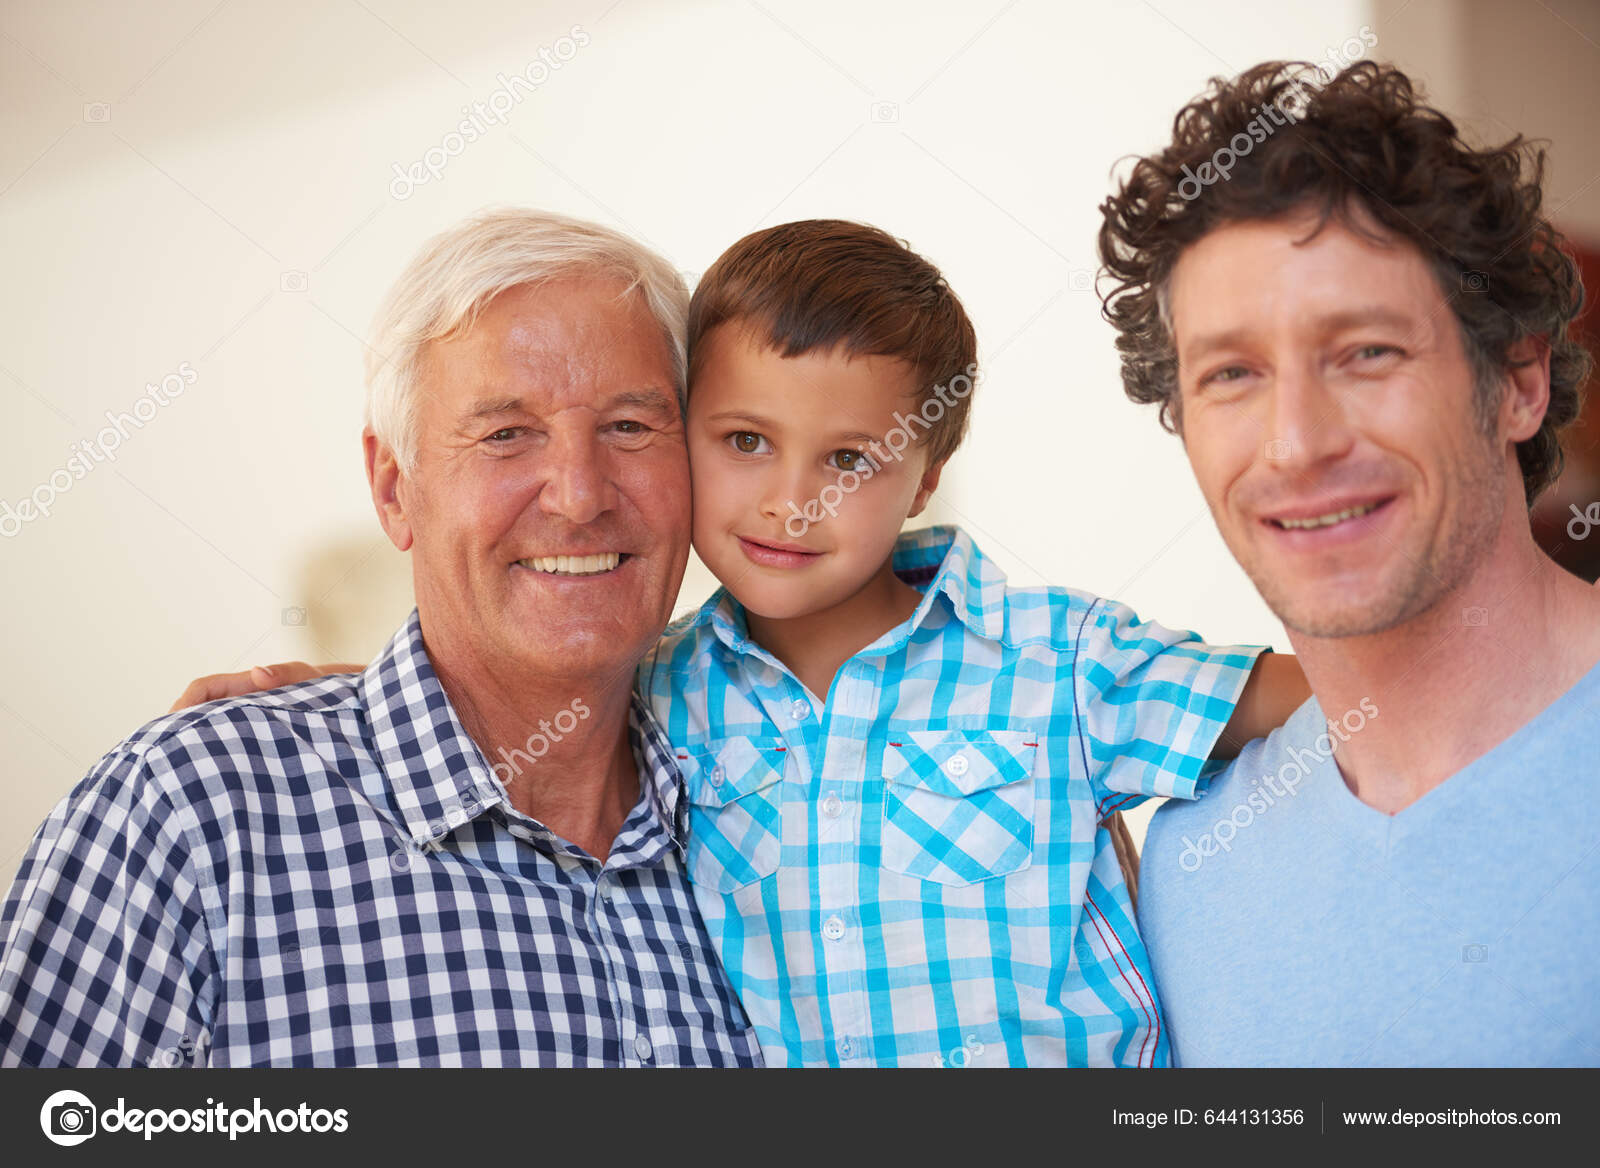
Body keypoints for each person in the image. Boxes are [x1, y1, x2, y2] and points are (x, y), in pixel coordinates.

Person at [164, 217, 1313, 1067]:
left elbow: (1324, 696)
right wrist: (348, 693)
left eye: (849, 460)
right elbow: (506, 684)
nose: (791, 504)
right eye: (746, 441)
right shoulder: (664, 691)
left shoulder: (1058, 660)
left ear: (926, 473)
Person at [0, 209, 762, 1066]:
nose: (580, 496)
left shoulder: (777, 803)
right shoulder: (189, 814)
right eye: (506, 434)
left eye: (630, 426)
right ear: (394, 488)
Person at [1099, 60, 1600, 1066]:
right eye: (1231, 374)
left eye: (1365, 352)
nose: (1295, 442)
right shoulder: (1187, 871)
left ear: (1517, 379)